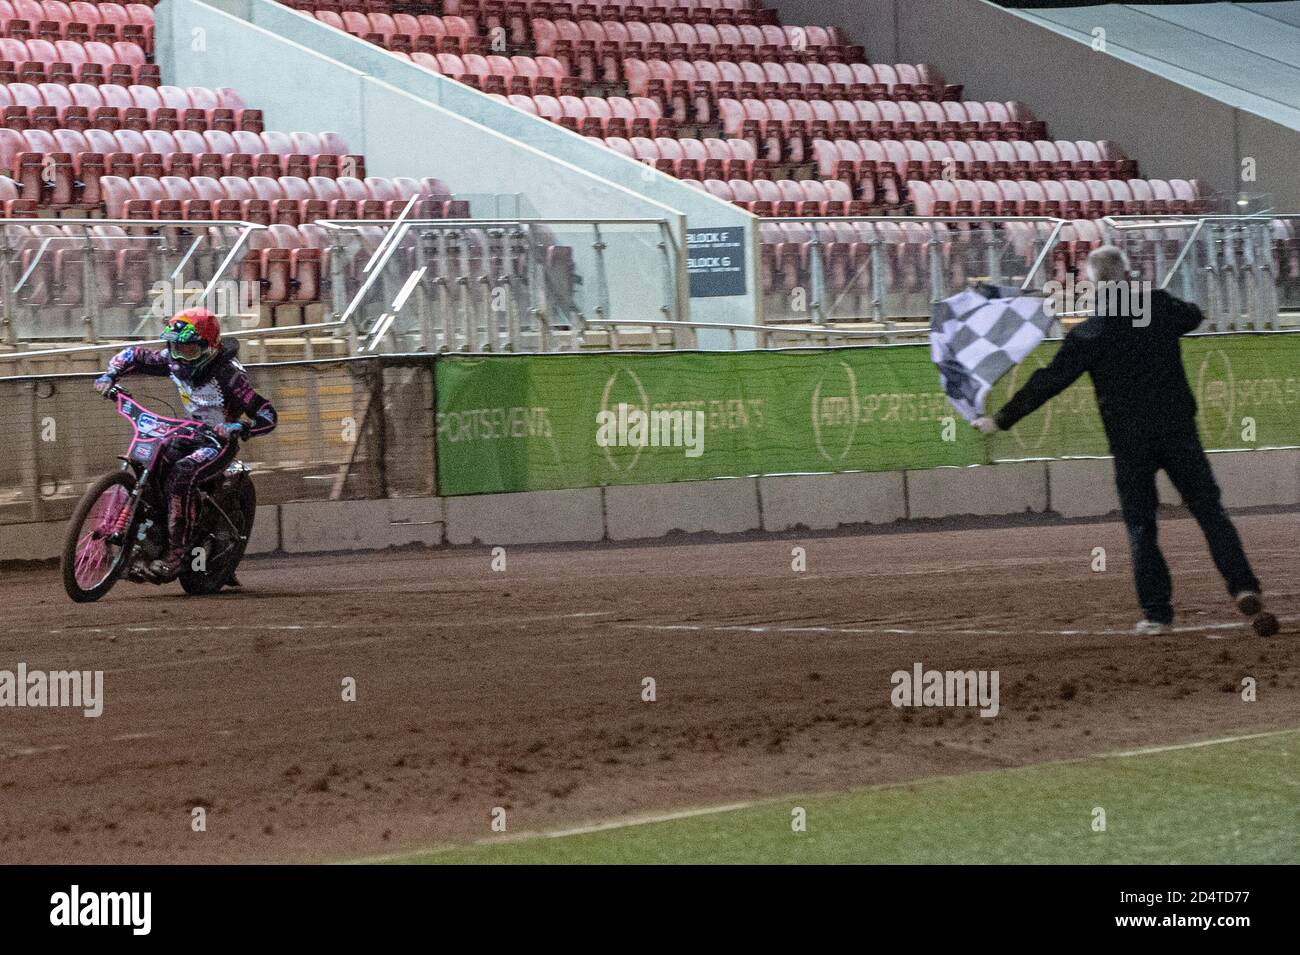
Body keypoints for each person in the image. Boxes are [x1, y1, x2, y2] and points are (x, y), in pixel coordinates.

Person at [972, 246, 1277, 637]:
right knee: (1210, 512)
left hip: (1130, 442)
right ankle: (1243, 586)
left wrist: (1000, 419)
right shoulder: (1159, 307)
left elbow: (1048, 382)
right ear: (1128, 276)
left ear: (1096, 284)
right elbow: (1194, 314)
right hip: (1177, 431)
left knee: (1141, 526)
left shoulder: (1091, 332)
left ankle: (1157, 614)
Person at [94, 308, 277, 581]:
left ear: (209, 347)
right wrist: (109, 376)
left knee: (182, 474)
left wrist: (239, 427)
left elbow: (267, 414)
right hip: (188, 432)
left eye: (189, 349)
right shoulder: (171, 359)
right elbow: (132, 355)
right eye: (174, 347)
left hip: (218, 442)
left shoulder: (231, 376)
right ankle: (144, 535)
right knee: (151, 460)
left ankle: (176, 554)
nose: (180, 355)